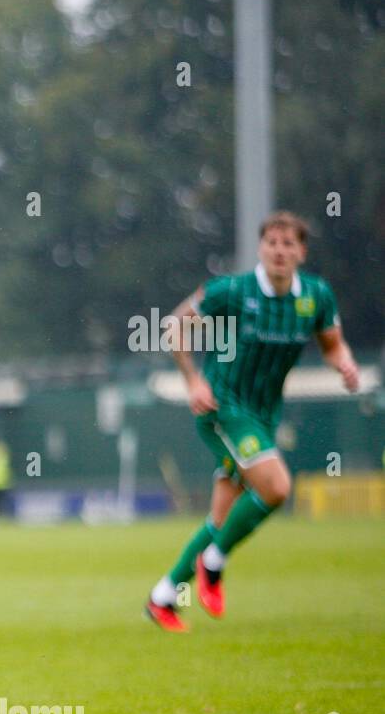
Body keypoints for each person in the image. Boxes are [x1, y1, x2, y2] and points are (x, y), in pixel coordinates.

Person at [145, 211, 359, 631]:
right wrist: (193, 382)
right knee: (277, 486)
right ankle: (214, 561)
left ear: (301, 252)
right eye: (271, 243)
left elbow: (332, 346)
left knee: (222, 519)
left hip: (262, 415)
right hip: (222, 408)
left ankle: (164, 597)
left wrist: (346, 365)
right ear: (260, 248)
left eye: (288, 244)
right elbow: (173, 327)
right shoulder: (233, 290)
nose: (279, 251)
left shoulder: (315, 296)